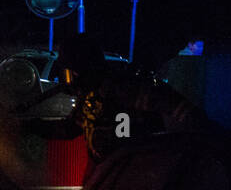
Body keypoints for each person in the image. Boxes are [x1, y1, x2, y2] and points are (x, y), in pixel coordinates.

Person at [50, 32, 208, 167]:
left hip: (136, 175)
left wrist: (207, 140)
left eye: (74, 72)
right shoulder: (92, 96)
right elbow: (70, 128)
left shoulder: (125, 88)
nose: (72, 80)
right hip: (108, 175)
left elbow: (180, 108)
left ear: (86, 67)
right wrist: (31, 126)